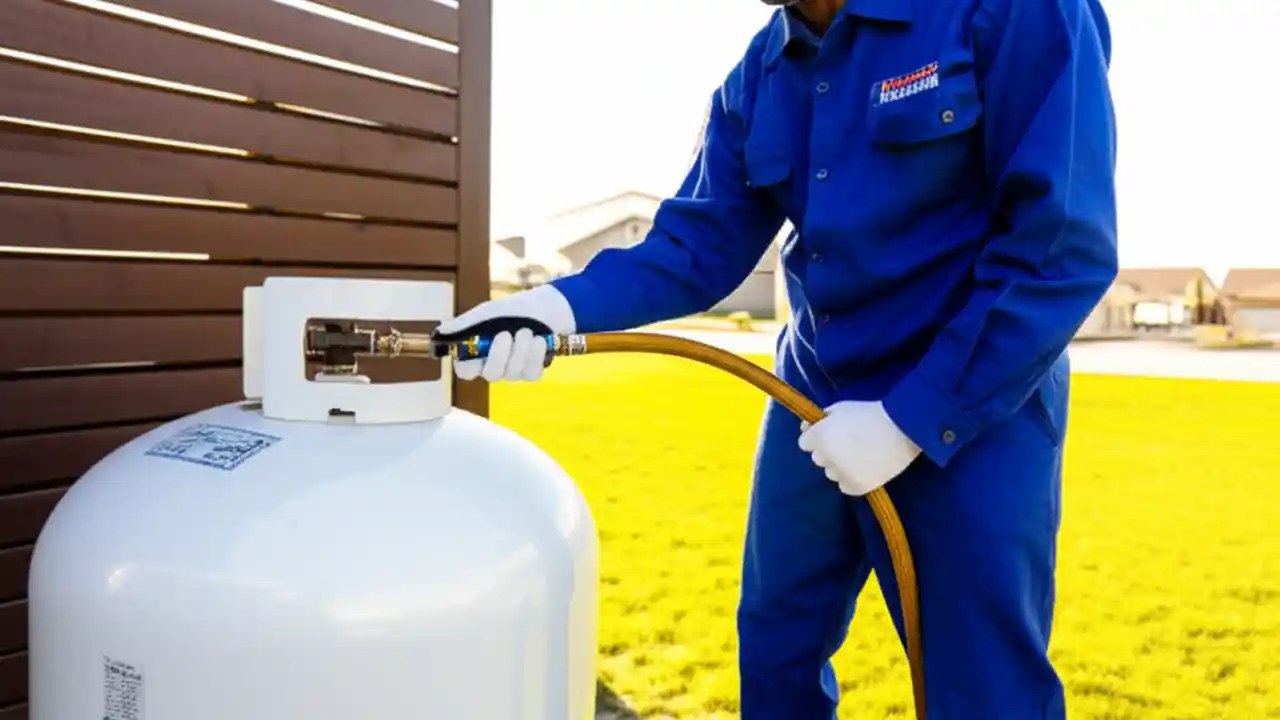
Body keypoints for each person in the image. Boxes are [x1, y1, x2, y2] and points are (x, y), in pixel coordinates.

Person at [435, 0, 1118, 716]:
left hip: (969, 407)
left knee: (981, 684)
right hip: (811, 395)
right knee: (776, 649)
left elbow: (1060, 247)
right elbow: (696, 246)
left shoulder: (1016, 10)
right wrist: (554, 308)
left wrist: (910, 421)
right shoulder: (760, 72)